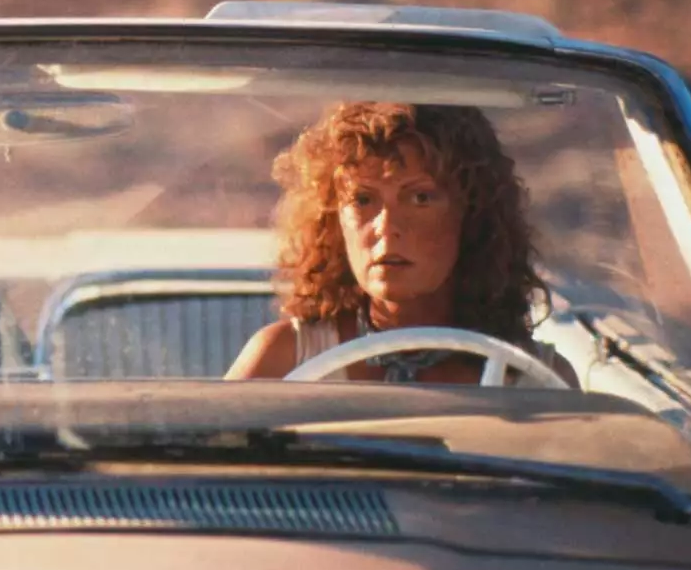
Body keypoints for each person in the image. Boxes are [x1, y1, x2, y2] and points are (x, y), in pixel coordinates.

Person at [225, 101, 577, 386]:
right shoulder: (284, 359)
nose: (386, 227)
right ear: (333, 221)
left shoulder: (538, 380)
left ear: (472, 217)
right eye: (363, 200)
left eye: (420, 198)